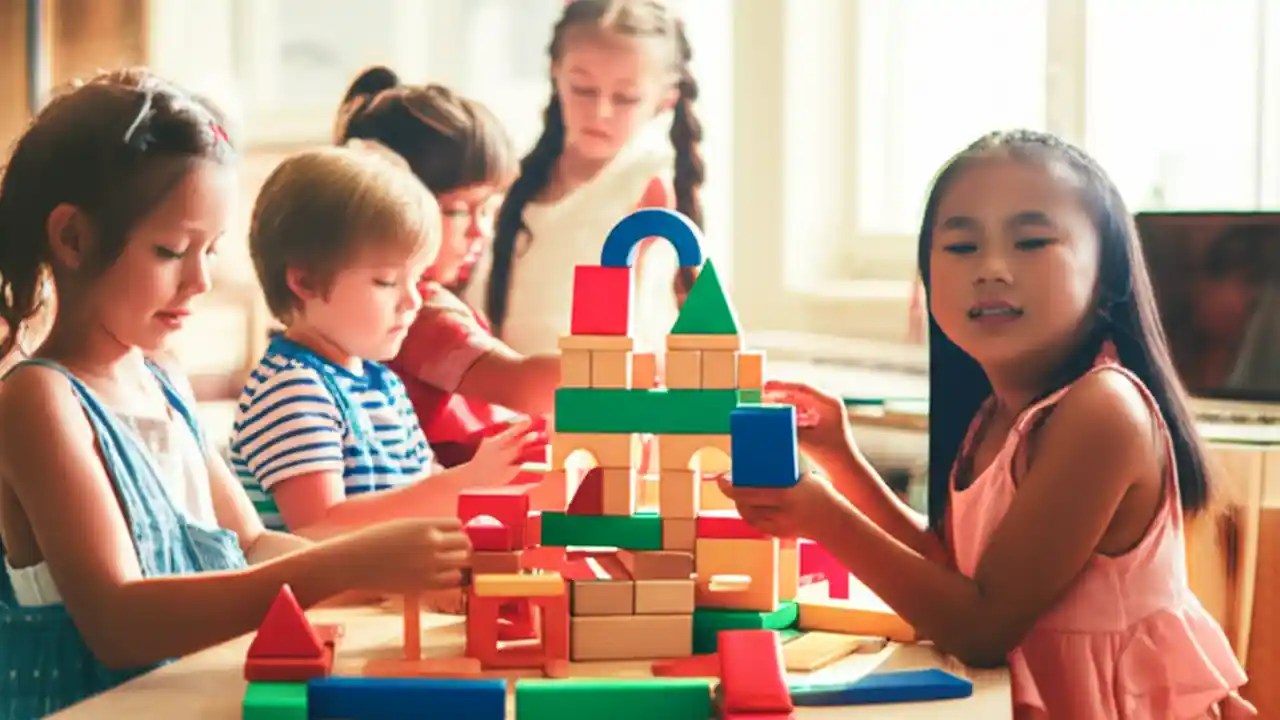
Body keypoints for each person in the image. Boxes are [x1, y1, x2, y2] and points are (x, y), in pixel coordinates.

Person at [721, 130, 1255, 718]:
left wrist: (818, 513)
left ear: (1107, 274)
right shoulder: (995, 413)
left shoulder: (1102, 409)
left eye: (1031, 241)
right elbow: (950, 570)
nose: (992, 269)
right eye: (960, 247)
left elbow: (981, 625)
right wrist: (841, 459)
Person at [0, 69, 471, 718]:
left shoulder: (159, 378)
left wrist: (381, 577)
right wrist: (343, 566)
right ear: (74, 237)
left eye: (211, 249)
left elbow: (252, 544)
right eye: (171, 250)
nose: (200, 279)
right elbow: (117, 620)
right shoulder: (39, 402)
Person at [230, 147, 538, 538]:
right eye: (387, 282)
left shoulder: (382, 384)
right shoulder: (290, 388)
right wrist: (466, 481)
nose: (413, 300)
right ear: (304, 282)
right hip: (328, 601)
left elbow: (425, 499)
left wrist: (493, 490)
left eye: (418, 279)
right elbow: (319, 528)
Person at [333, 67, 557, 467]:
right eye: (457, 211)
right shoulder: (419, 314)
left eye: (488, 210)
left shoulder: (434, 303)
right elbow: (520, 384)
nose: (480, 231)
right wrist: (626, 366)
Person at [474, 0, 706, 360]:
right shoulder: (509, 181)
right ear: (555, 72)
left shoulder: (646, 187)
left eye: (626, 98)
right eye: (583, 89)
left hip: (596, 404)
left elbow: (636, 335)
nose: (600, 112)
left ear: (665, 100)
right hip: (503, 398)